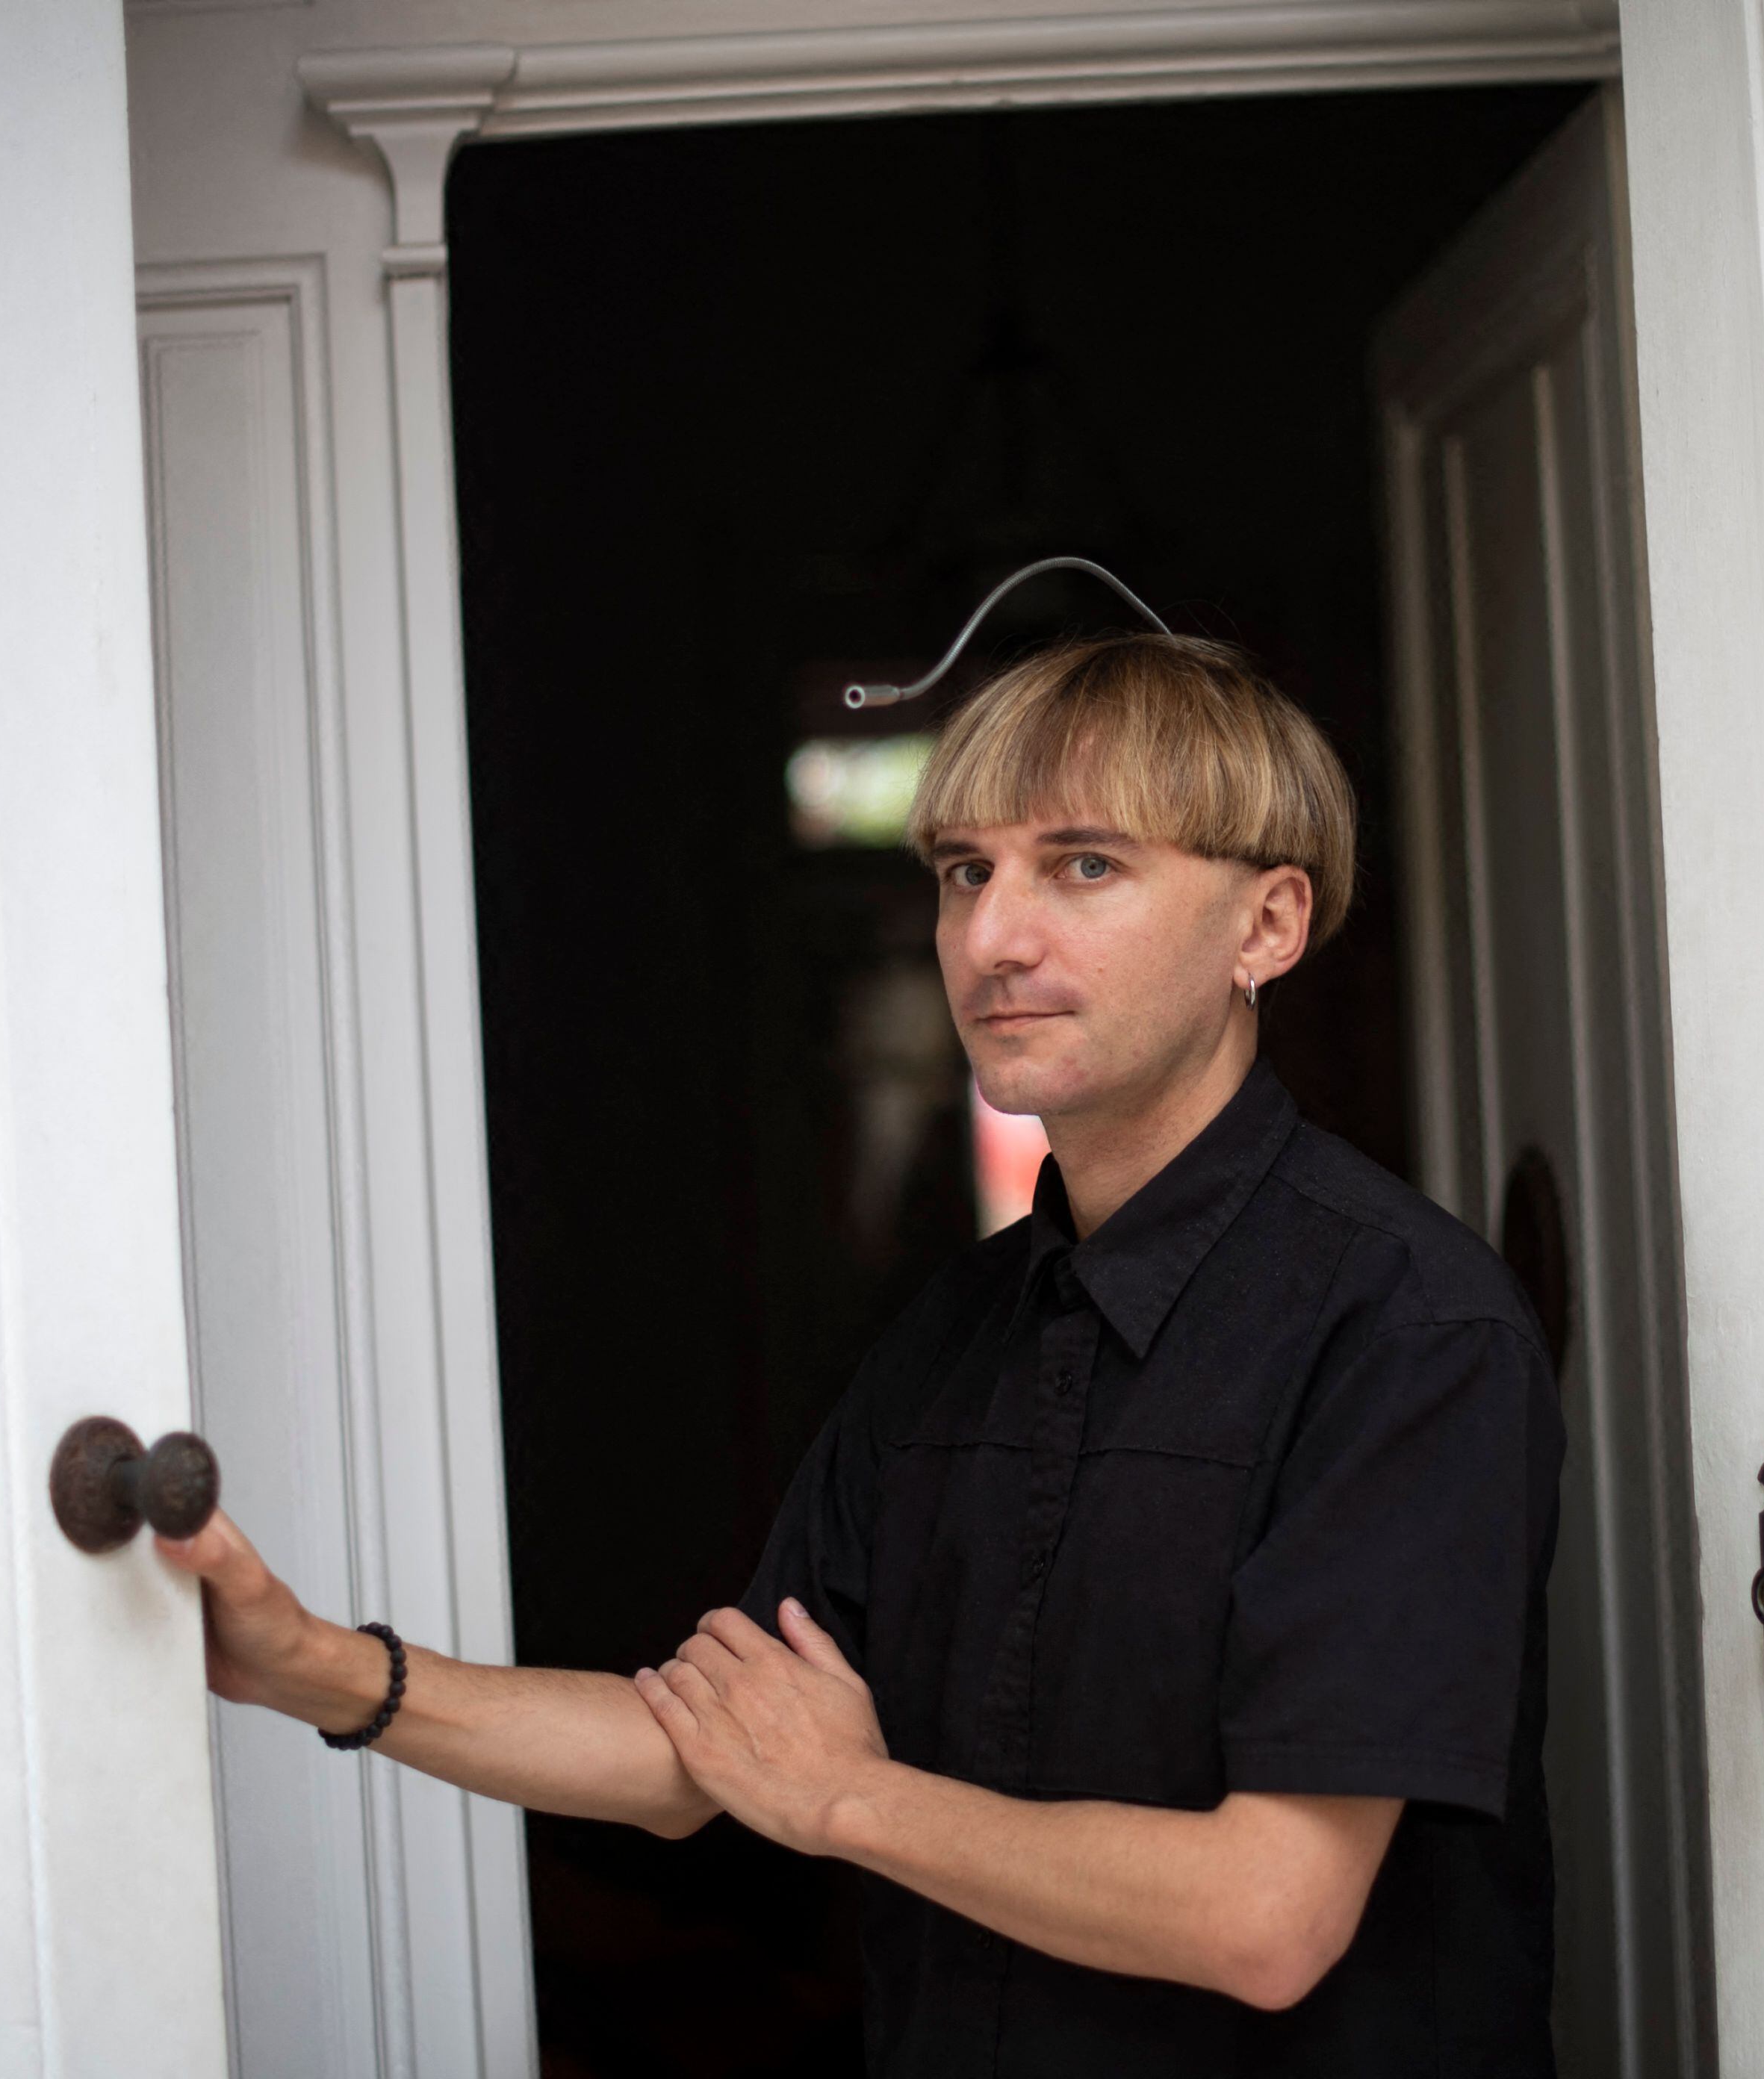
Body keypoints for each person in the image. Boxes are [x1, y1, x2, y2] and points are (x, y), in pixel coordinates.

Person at [162, 633, 1565, 2075]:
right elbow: (693, 1760)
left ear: (1267, 927)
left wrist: (849, 1800)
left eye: (1084, 865)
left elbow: (1267, 1915)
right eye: (967, 871)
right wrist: (317, 1669)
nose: (991, 939)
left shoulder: (1407, 1331)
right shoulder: (956, 1335)